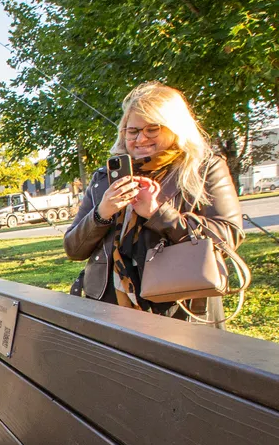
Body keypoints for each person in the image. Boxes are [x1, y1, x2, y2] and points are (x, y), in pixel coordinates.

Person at [64, 81, 243, 323]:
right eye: (133, 131)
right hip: (111, 311)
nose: (140, 139)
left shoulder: (203, 169)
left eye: (152, 129)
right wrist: (102, 212)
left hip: (179, 310)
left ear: (175, 128)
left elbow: (228, 237)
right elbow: (73, 249)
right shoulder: (105, 178)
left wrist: (158, 213)